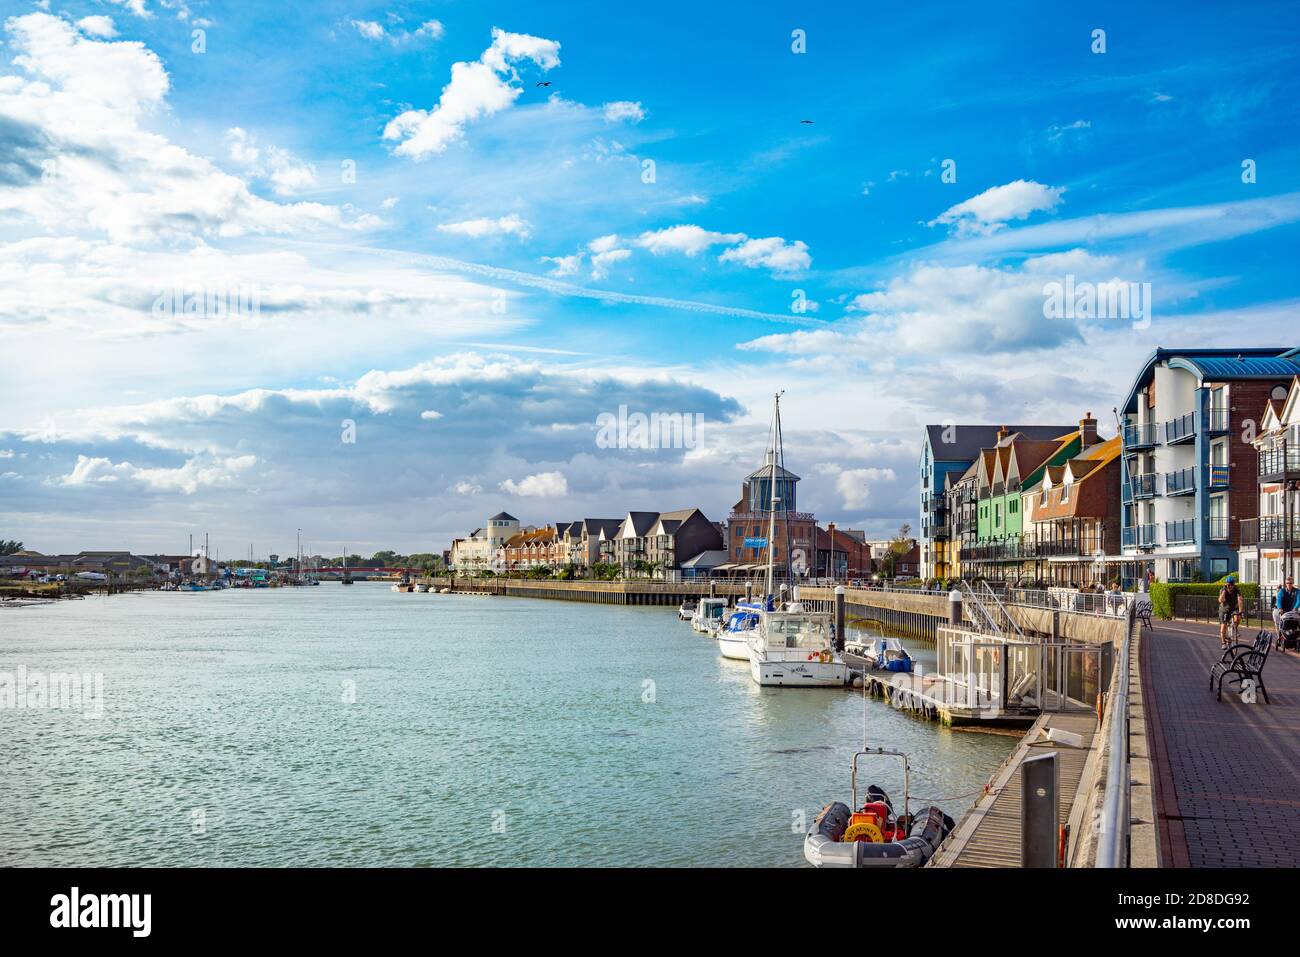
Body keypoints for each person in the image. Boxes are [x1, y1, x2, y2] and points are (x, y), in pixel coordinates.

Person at [1218, 575, 1244, 650]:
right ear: (1226, 584)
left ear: (1234, 584)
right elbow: (1220, 600)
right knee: (1223, 627)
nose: (1230, 586)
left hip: (1233, 608)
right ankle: (1223, 643)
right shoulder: (1223, 590)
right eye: (1228, 585)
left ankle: (1235, 628)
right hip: (1224, 609)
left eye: (1231, 584)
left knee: (1237, 618)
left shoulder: (1236, 589)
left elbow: (1240, 599)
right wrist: (1223, 593)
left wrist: (1240, 611)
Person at [1274, 575, 1298, 649]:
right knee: (1280, 623)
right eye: (1287, 583)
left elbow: (1299, 600)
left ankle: (1295, 638)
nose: (1289, 584)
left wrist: (1295, 607)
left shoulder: (1297, 591)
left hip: (1292, 611)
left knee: (1295, 624)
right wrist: (1280, 608)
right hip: (1283, 611)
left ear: (1293, 583)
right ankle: (1279, 637)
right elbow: (1279, 600)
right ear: (1285, 583)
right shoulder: (1282, 591)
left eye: (1290, 583)